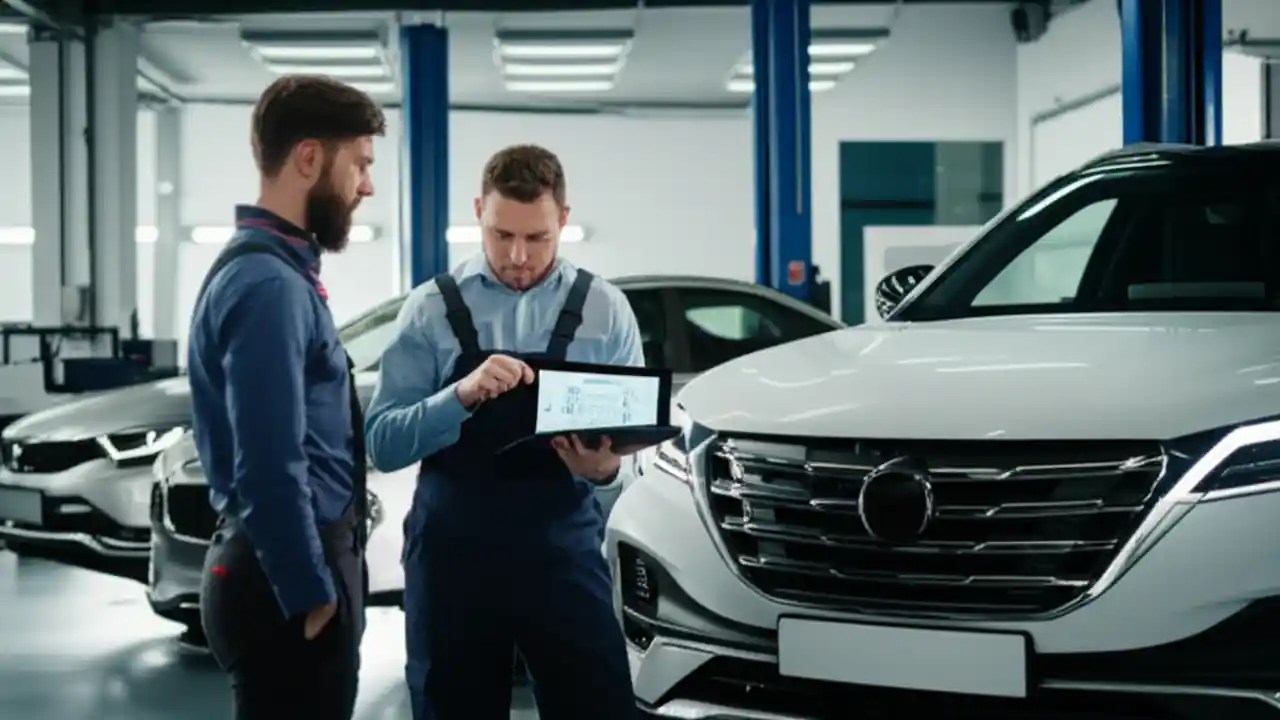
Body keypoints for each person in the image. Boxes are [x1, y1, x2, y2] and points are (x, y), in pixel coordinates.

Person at [365, 144, 643, 720]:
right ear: (477, 214)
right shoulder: (429, 311)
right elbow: (384, 444)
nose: (517, 256)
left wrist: (607, 472)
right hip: (452, 559)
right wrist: (458, 396)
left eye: (537, 238)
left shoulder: (606, 311)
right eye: (500, 235)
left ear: (564, 219)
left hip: (564, 552)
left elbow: (631, 462)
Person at [186, 74, 385, 719]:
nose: (366, 186)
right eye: (358, 164)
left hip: (292, 567)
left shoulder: (278, 273)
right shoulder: (268, 286)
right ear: (308, 158)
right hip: (287, 583)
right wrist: (311, 592)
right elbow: (269, 462)